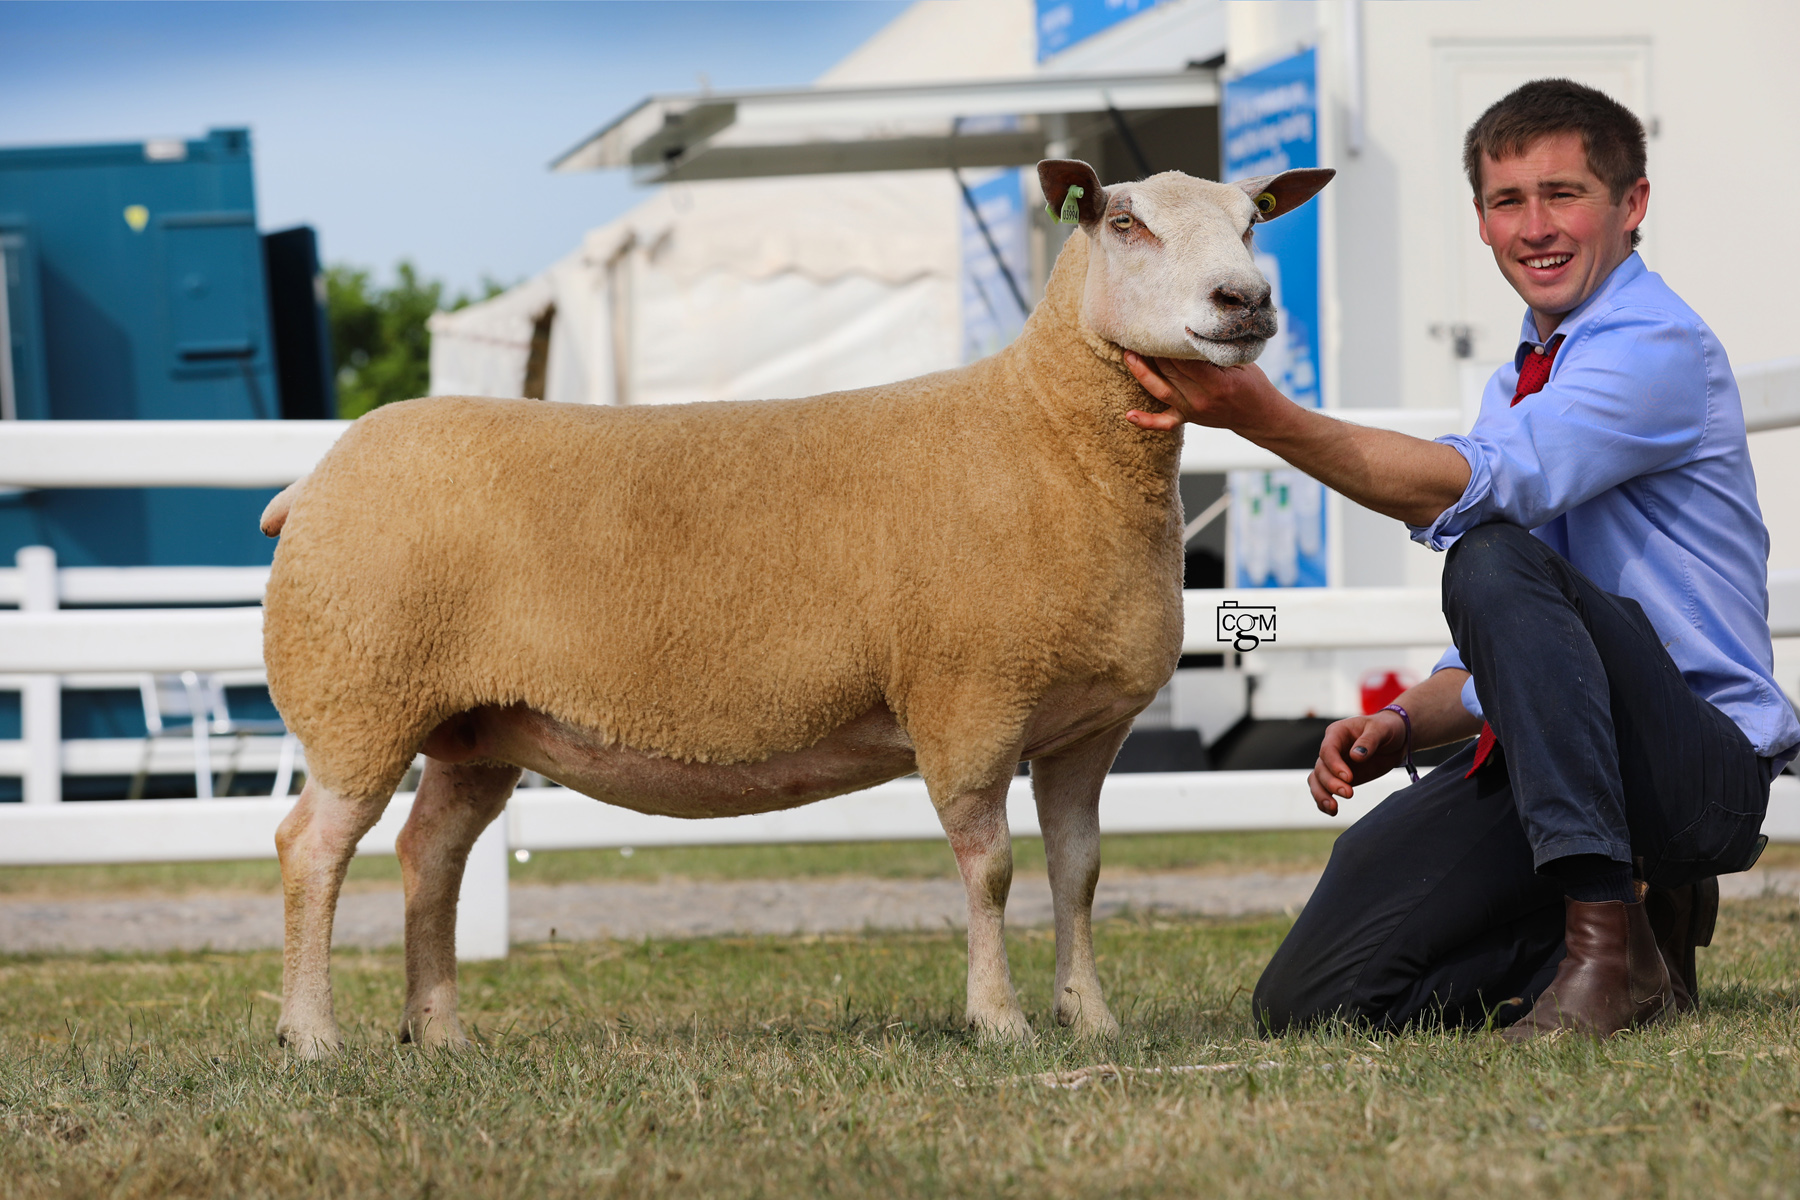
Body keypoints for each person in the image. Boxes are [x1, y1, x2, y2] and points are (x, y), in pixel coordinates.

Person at [1122, 78, 1800, 1040]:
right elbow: (1525, 643)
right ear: (1479, 221)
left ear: (1632, 204)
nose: (1535, 225)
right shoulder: (1521, 375)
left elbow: (1483, 497)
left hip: (1689, 768)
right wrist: (1402, 722)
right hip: (1561, 763)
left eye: (1564, 193)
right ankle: (1638, 938)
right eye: (1506, 200)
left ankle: (1607, 947)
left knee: (1484, 551)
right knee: (1315, 1002)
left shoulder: (1656, 347)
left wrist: (1264, 417)